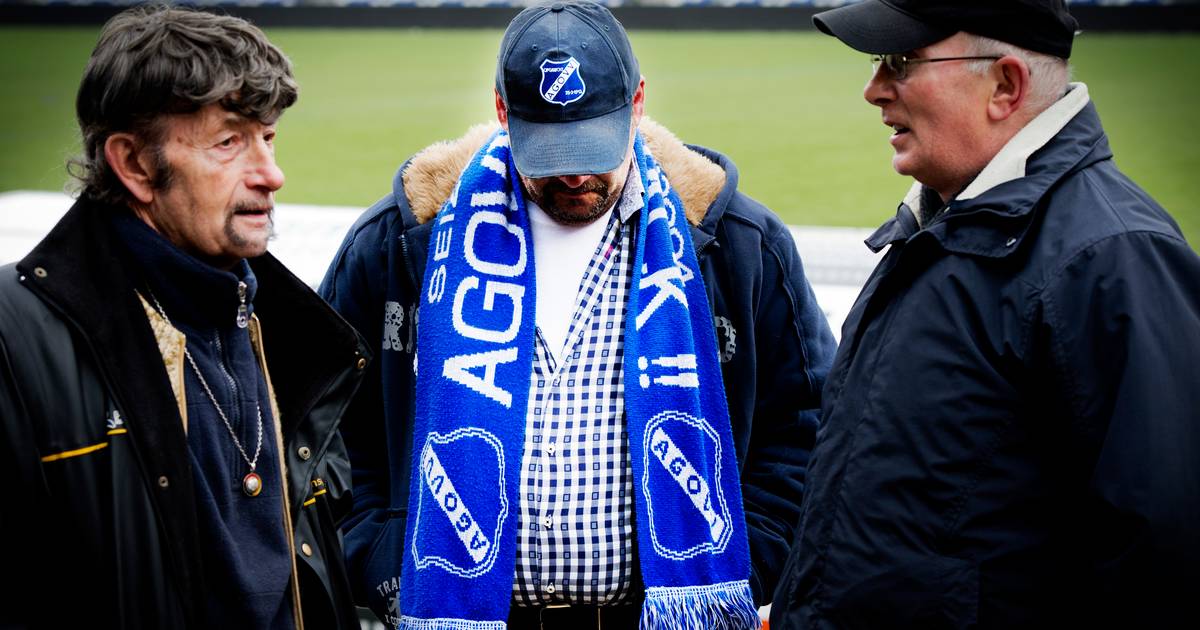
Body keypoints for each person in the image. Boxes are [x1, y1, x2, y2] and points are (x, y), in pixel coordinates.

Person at [319, 2, 835, 628]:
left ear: (637, 102)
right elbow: (326, 425)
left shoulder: (740, 244)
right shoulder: (401, 241)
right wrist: (384, 559)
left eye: (593, 144)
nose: (574, 174)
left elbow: (806, 425)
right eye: (548, 152)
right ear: (503, 111)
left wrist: (749, 562)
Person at [771, 1, 1200, 628]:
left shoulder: (1111, 257)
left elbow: (1166, 562)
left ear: (1005, 85)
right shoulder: (948, 224)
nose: (873, 89)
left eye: (901, 62)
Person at [0, 5, 368, 628]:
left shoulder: (289, 329)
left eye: (268, 137)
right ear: (136, 164)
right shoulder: (16, 340)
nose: (272, 174)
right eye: (229, 142)